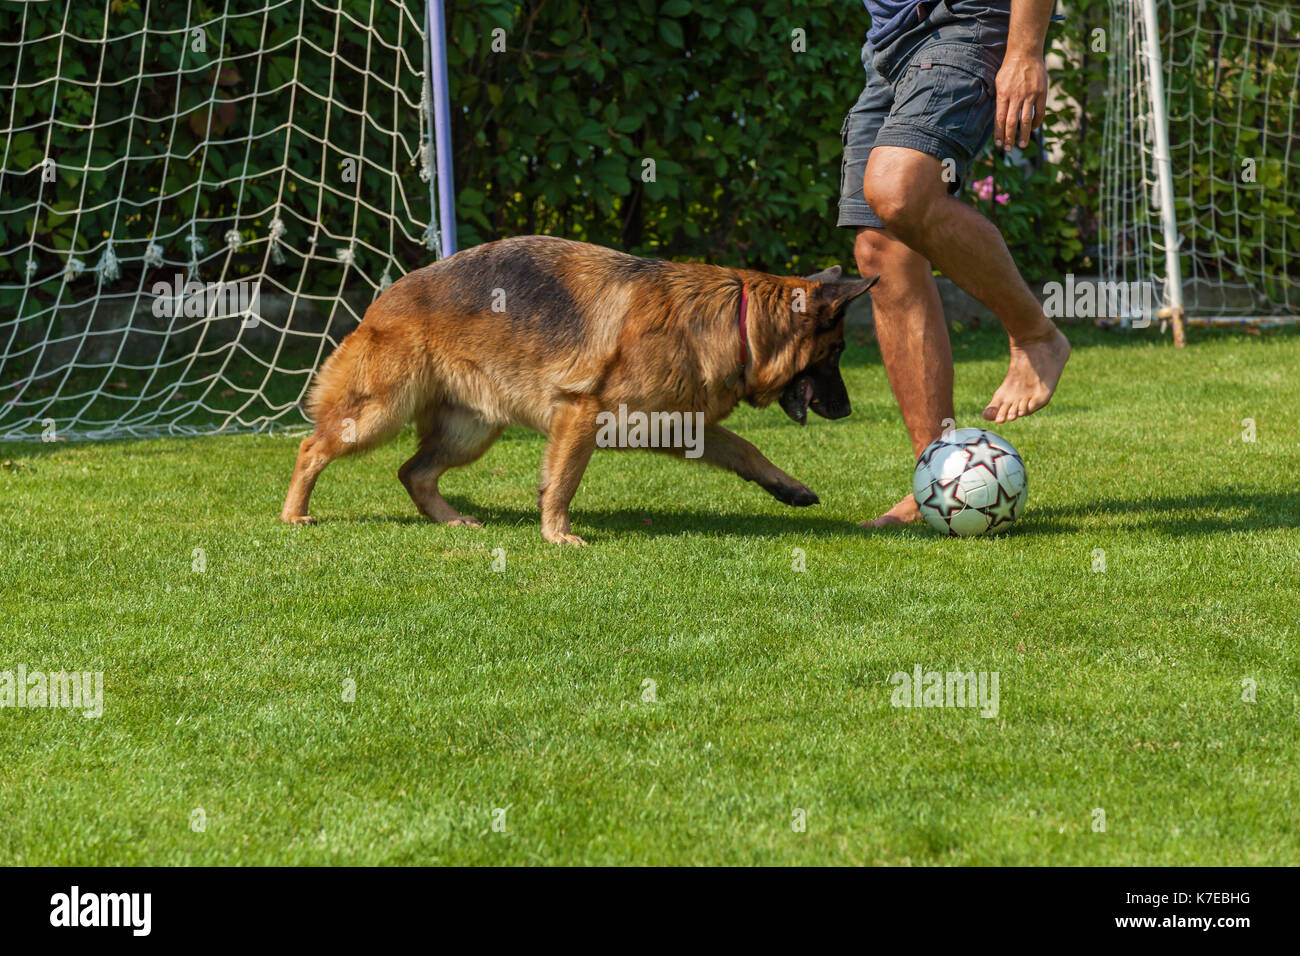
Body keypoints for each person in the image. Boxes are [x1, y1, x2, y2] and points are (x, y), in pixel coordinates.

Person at [838, 0, 1071, 526]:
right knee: (881, 249)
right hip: (890, 42)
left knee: (897, 189)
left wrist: (1024, 50)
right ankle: (936, 473)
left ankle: (1037, 335)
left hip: (969, 19)